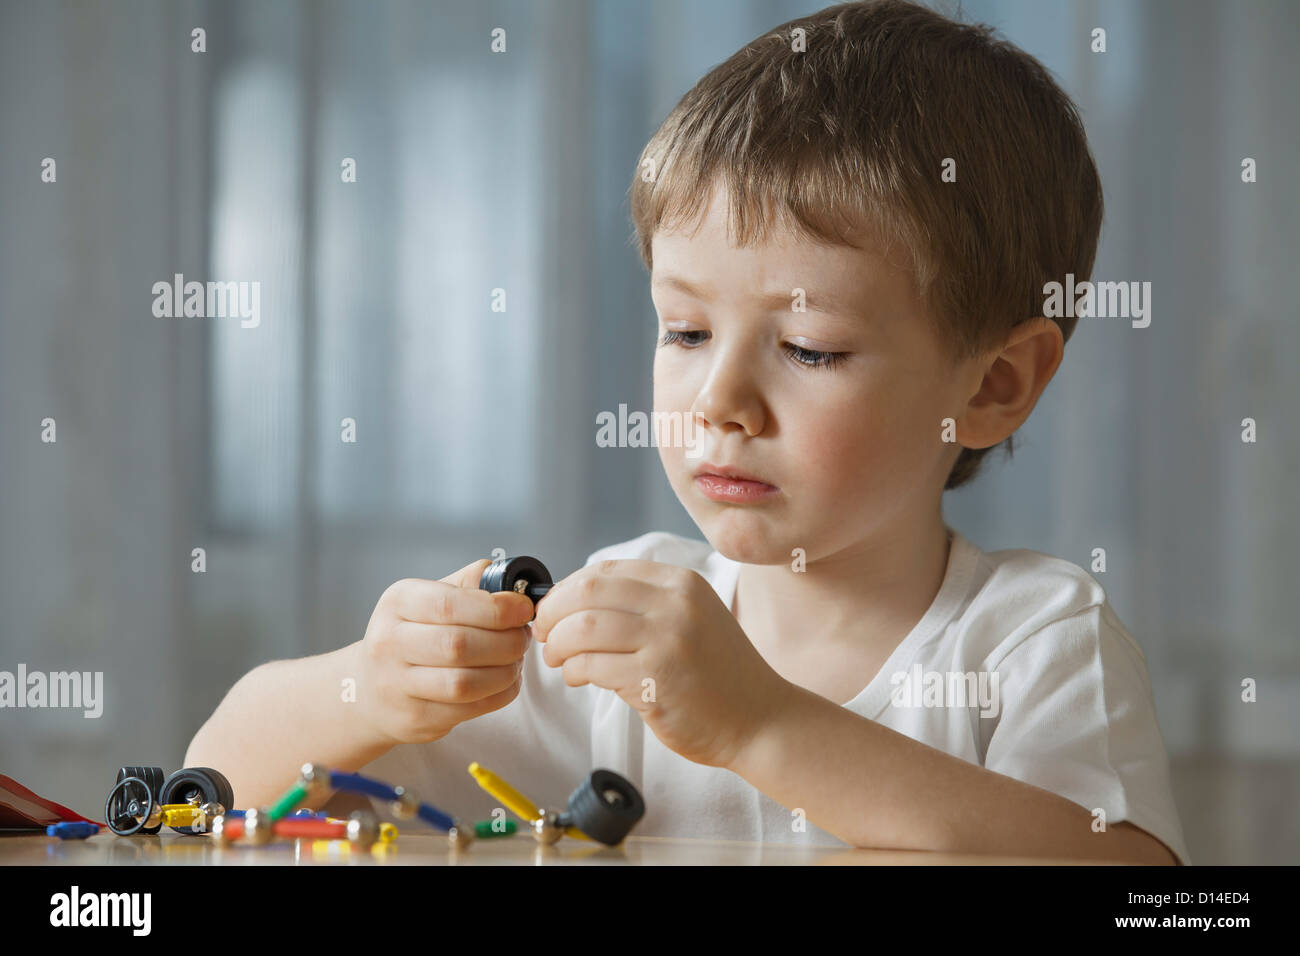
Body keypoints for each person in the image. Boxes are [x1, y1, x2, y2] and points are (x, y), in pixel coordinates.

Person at [186, 0, 1187, 864]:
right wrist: (370, 685)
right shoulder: (620, 635)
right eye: (686, 329)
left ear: (995, 384)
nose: (718, 401)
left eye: (808, 347)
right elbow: (208, 785)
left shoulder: (1032, 638)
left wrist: (761, 722)